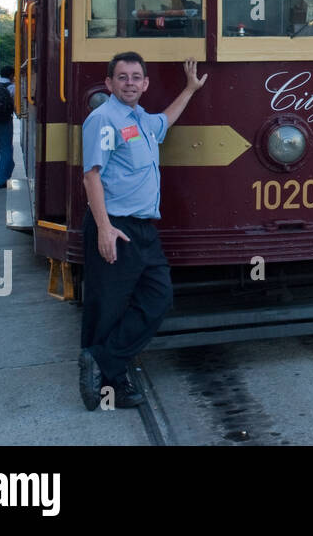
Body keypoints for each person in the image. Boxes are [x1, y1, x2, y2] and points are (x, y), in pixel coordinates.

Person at [78, 52, 207, 411]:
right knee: (108, 308)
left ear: (145, 84)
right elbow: (91, 175)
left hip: (143, 230)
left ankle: (100, 358)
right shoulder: (103, 120)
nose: (130, 83)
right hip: (115, 226)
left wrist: (190, 89)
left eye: (136, 77)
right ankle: (110, 385)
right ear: (109, 84)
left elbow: (165, 120)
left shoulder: (140, 120)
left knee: (158, 298)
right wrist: (104, 228)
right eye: (122, 77)